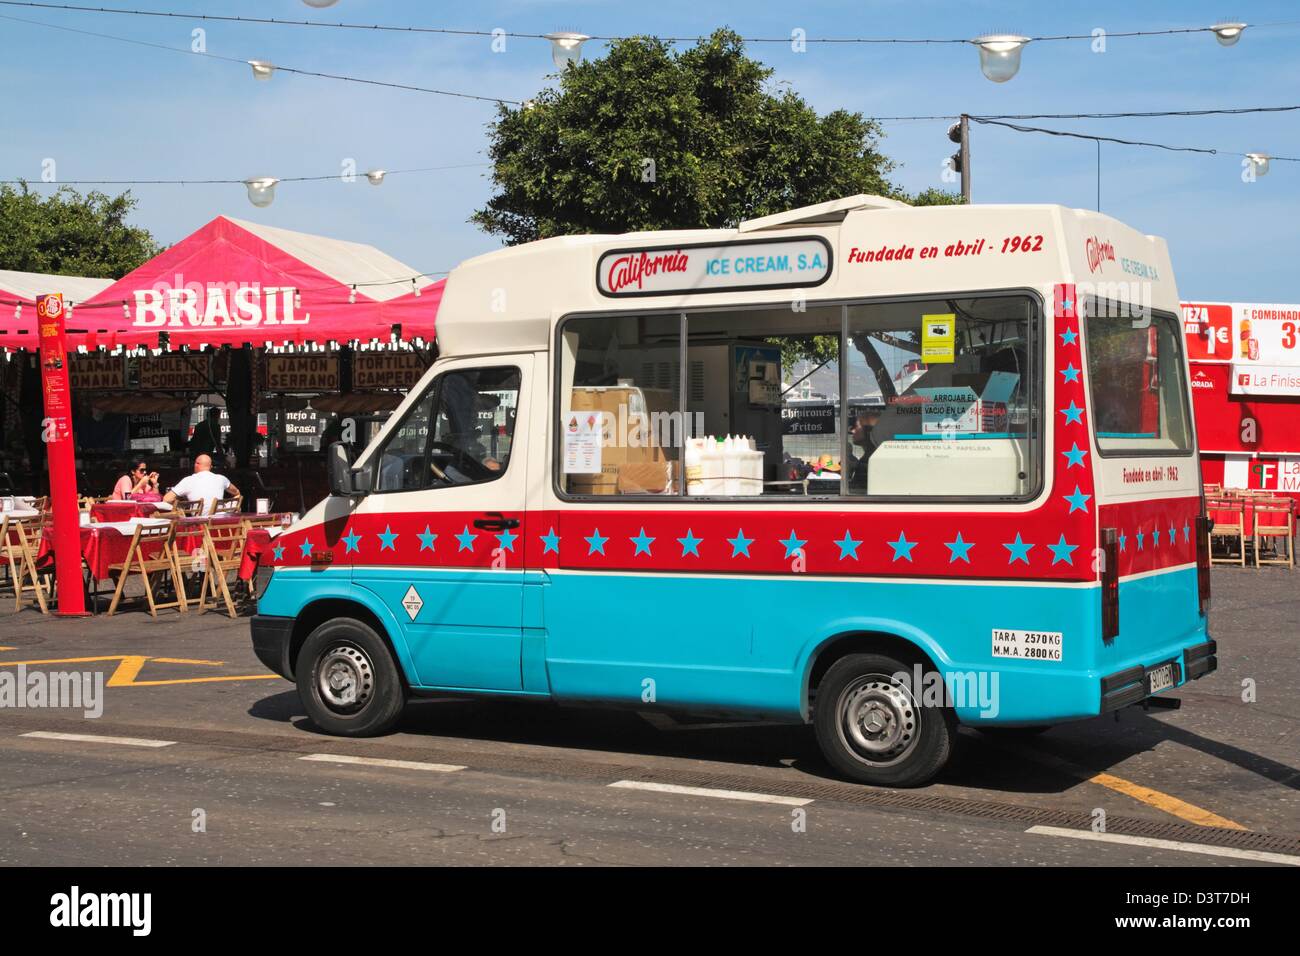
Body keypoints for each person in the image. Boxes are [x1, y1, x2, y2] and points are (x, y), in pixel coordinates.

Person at [164, 455, 241, 513]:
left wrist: (182, 505)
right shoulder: (221, 478)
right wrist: (226, 506)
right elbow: (237, 493)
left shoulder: (188, 480)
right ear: (210, 467)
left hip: (199, 523)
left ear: (196, 464)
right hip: (220, 521)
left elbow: (167, 499)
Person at [846, 408, 882, 491]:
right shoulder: (872, 457)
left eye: (857, 426)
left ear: (869, 431)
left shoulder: (868, 462)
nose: (852, 430)